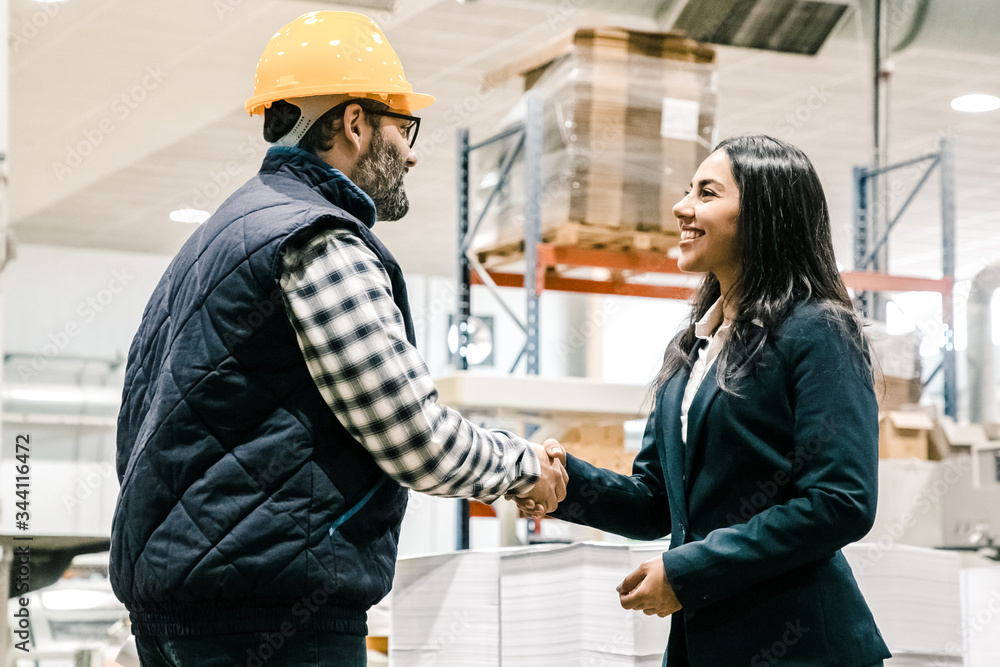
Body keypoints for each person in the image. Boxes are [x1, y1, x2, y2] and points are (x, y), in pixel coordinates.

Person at [109, 11, 567, 667]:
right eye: (403, 128)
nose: (413, 152)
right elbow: (413, 435)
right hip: (270, 614)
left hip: (177, 614)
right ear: (353, 123)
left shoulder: (212, 242)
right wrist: (526, 467)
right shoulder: (316, 240)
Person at [515, 135, 892, 666]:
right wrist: (560, 482)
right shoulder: (696, 343)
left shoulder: (818, 331)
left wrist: (688, 571)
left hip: (801, 645)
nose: (680, 207)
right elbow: (656, 502)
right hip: (706, 644)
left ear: (763, 215)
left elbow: (840, 501)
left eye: (707, 193)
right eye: (687, 189)